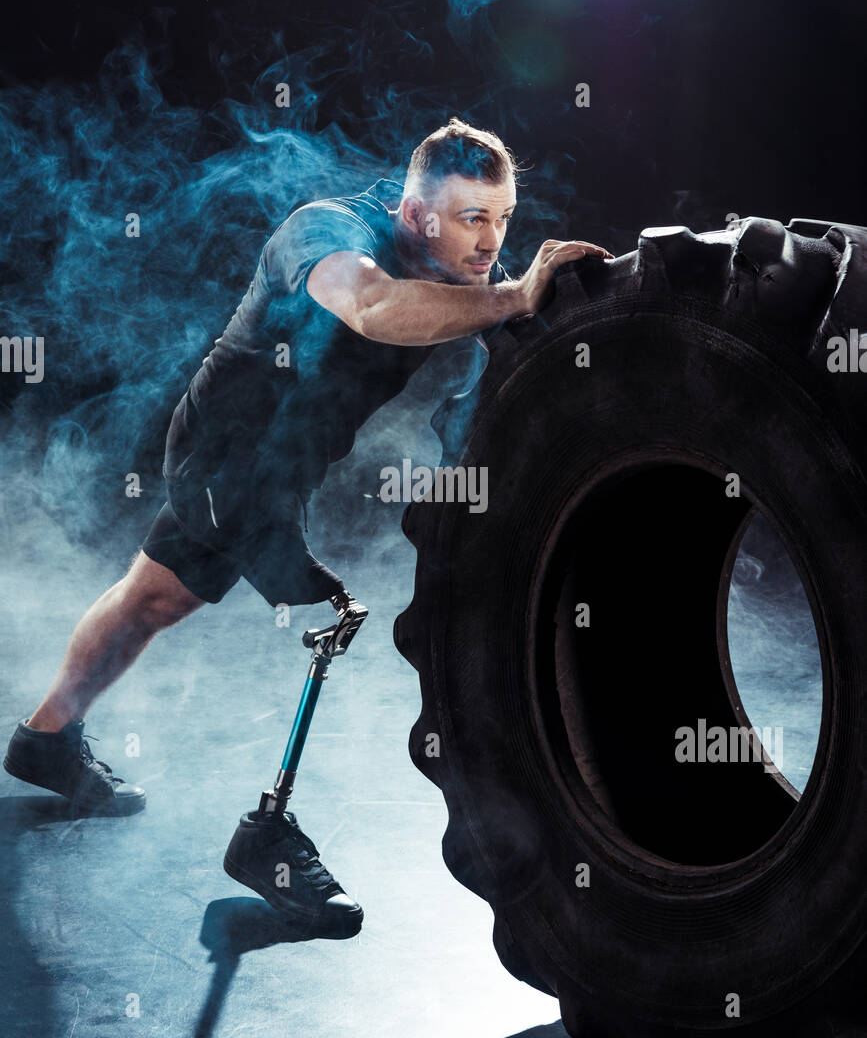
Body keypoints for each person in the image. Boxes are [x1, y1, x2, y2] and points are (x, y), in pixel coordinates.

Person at [3, 117, 612, 931]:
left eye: (501, 218)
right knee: (338, 618)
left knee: (152, 598)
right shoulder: (326, 233)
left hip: (281, 475)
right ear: (414, 212)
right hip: (226, 469)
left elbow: (500, 346)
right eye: (472, 218)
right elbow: (371, 305)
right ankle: (268, 841)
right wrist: (506, 295)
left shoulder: (468, 271)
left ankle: (44, 741)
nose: (490, 241)